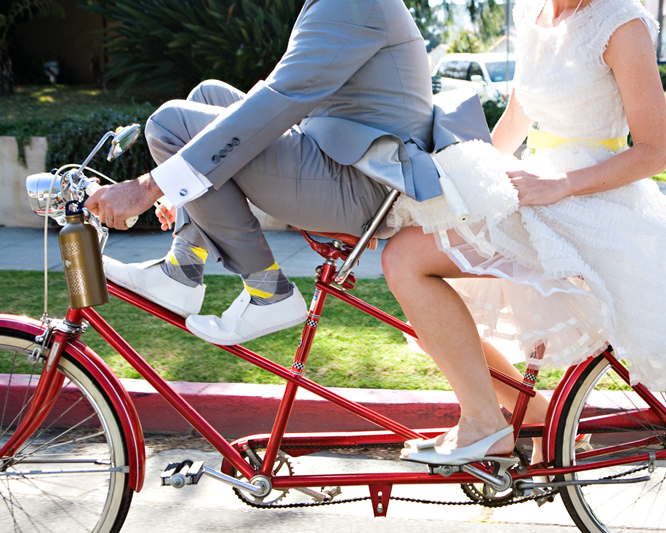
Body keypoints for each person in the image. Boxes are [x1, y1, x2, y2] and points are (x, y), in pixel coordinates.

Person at [381, 0, 666, 466]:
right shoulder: (532, 15)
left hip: (590, 201)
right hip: (534, 186)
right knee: (423, 301)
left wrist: (558, 187)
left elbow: (654, 151)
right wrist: (462, 183)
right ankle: (539, 418)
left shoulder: (622, 23)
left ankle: (485, 422)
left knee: (406, 259)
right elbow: (516, 119)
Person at [85, 0, 490, 346]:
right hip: (340, 159)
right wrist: (187, 194)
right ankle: (182, 269)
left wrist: (150, 186)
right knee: (208, 95)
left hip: (360, 185)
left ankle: (268, 293)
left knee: (170, 123)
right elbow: (280, 102)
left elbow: (281, 99)